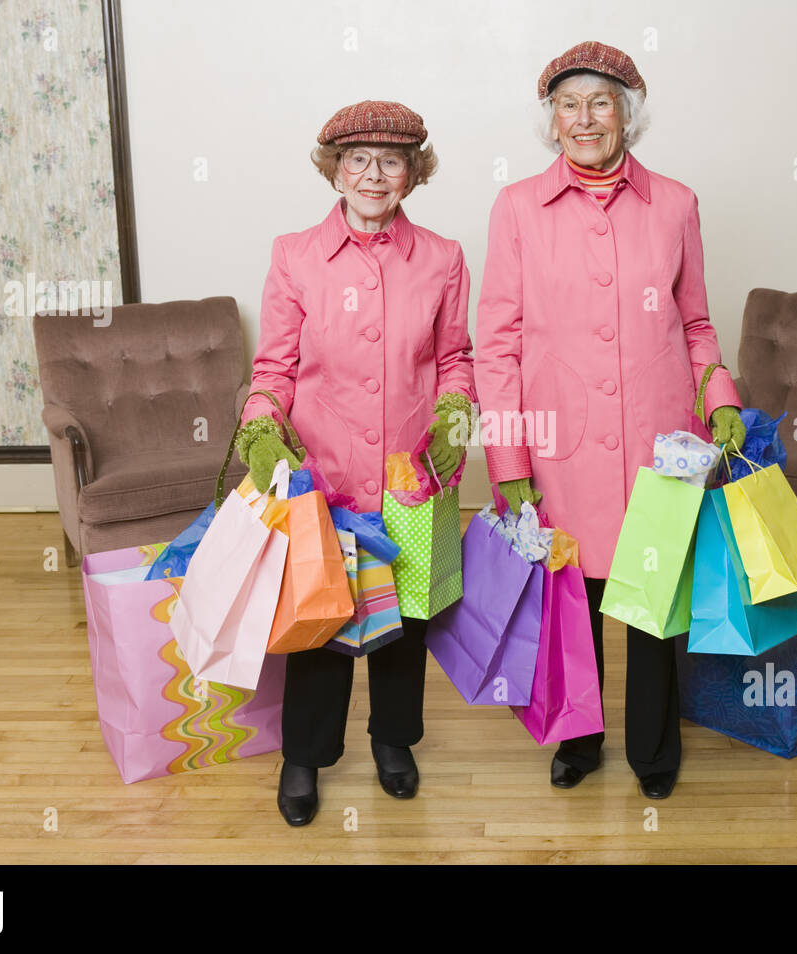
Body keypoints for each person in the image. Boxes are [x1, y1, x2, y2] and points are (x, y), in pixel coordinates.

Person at [474, 41, 746, 800]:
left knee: (654, 600)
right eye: (569, 104)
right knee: (574, 602)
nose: (584, 118)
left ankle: (655, 750)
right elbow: (494, 345)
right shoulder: (517, 208)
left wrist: (721, 401)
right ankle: (579, 735)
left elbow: (697, 326)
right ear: (551, 119)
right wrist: (509, 462)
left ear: (629, 113)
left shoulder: (678, 204)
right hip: (558, 444)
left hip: (659, 445)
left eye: (601, 101)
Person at [236, 101, 475, 826]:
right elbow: (273, 368)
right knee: (319, 619)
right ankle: (304, 755)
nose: (374, 175)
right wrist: (259, 430)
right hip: (325, 474)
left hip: (411, 475)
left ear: (414, 172)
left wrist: (454, 418)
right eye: (359, 160)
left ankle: (395, 742)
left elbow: (458, 360)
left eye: (392, 161)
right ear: (334, 169)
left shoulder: (443, 257)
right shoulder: (294, 255)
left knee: (405, 619)